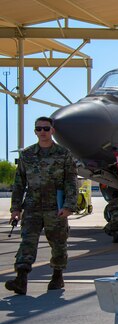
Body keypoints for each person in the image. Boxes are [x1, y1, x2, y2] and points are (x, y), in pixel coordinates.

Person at [5, 117, 78, 295]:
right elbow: (19, 183)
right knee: (27, 242)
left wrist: (68, 206)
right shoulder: (27, 155)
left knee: (58, 243)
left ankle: (57, 276)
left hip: (56, 207)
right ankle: (21, 279)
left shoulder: (64, 154)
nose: (42, 132)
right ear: (35, 131)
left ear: (52, 130)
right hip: (32, 206)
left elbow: (71, 181)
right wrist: (16, 208)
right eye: (39, 129)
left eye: (46, 128)